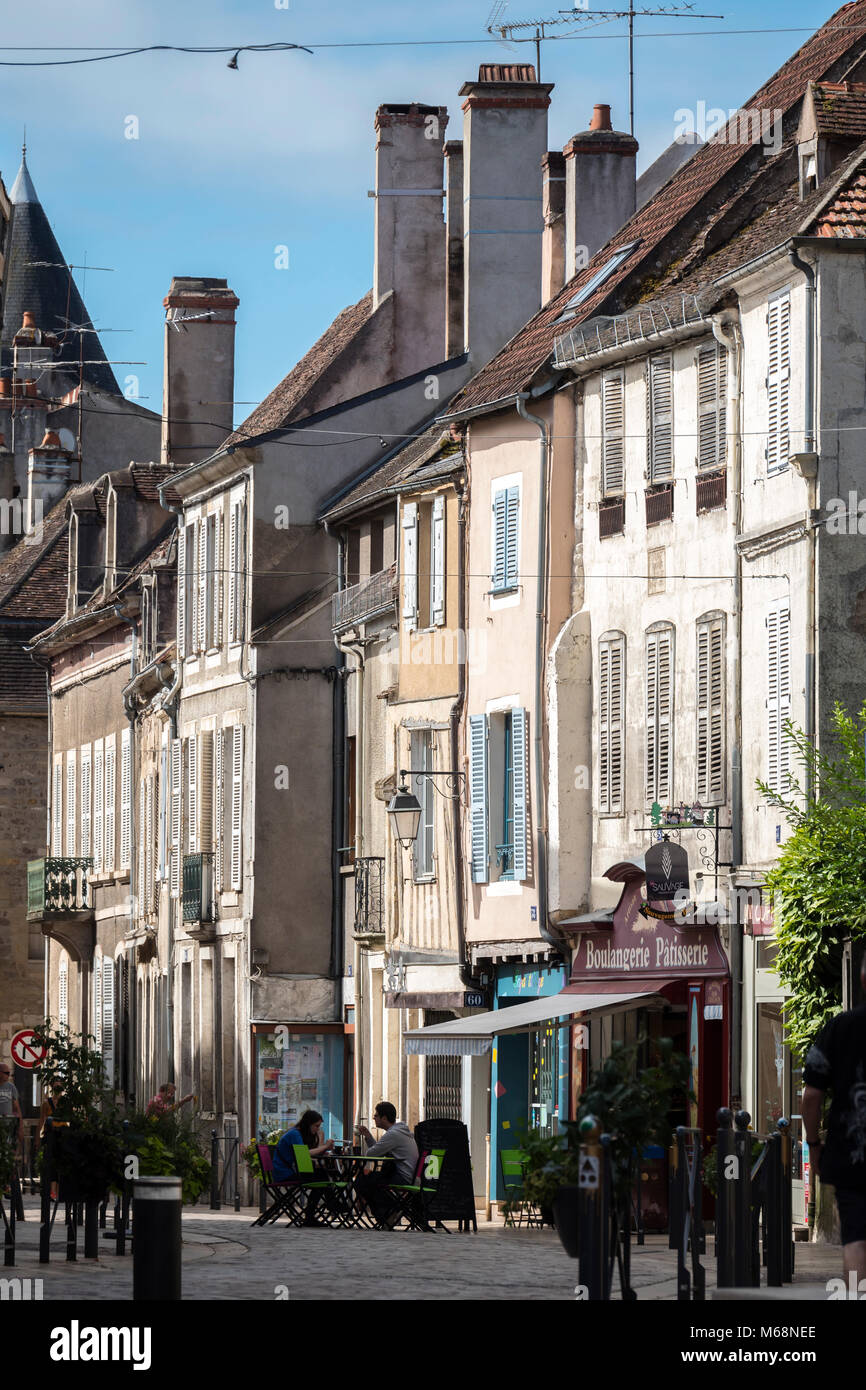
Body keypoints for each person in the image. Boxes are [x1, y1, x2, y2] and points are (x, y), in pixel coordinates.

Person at [802, 952, 866, 1290]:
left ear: (863, 979)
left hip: (852, 1155)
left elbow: (811, 1096)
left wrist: (814, 1145)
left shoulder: (840, 1028)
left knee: (856, 1236)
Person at [355, 1102, 419, 1227]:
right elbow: (378, 1153)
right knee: (368, 1180)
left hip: (402, 1177)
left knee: (362, 1182)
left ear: (384, 1118)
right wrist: (368, 1136)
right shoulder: (398, 1131)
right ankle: (387, 1214)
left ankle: (387, 1214)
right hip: (408, 1175)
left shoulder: (393, 1134)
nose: (373, 1117)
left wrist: (369, 1141)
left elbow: (371, 1154)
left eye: (376, 1115)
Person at [272, 1110, 334, 1226]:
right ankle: (329, 1206)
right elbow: (305, 1154)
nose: (317, 1129)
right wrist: (325, 1146)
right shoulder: (295, 1134)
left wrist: (321, 1140)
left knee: (321, 1176)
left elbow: (308, 1156)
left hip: (288, 1171)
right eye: (316, 1126)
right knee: (321, 1177)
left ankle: (326, 1207)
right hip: (284, 1174)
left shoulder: (297, 1134)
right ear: (308, 1123)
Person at [0, 1063, 22, 1150]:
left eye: (9, 1073)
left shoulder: (11, 1087)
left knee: (8, 1149)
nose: (8, 1075)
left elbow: (17, 1108)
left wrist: (20, 1127)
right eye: (6, 1073)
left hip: (8, 1125)